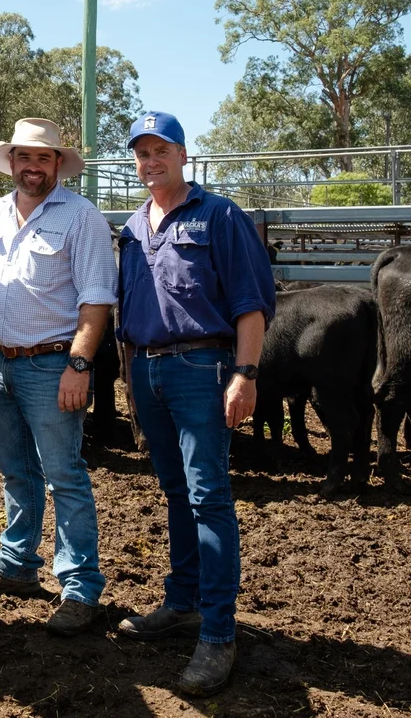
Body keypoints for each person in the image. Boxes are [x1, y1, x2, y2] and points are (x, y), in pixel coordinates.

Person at [113, 110, 275, 696]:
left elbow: (251, 302)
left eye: (162, 150)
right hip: (148, 371)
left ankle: (218, 631)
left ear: (184, 155)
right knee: (176, 492)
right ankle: (182, 603)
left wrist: (245, 373)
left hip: (202, 368)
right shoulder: (133, 226)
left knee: (209, 494)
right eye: (142, 153)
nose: (151, 161)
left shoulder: (219, 214)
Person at [0, 118, 116, 636]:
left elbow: (96, 302)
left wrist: (78, 364)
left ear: (56, 165)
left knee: (64, 473)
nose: (32, 166)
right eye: (24, 157)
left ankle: (80, 584)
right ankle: (17, 564)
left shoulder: (81, 216)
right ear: (11, 162)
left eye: (43, 158)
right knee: (15, 471)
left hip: (52, 363)